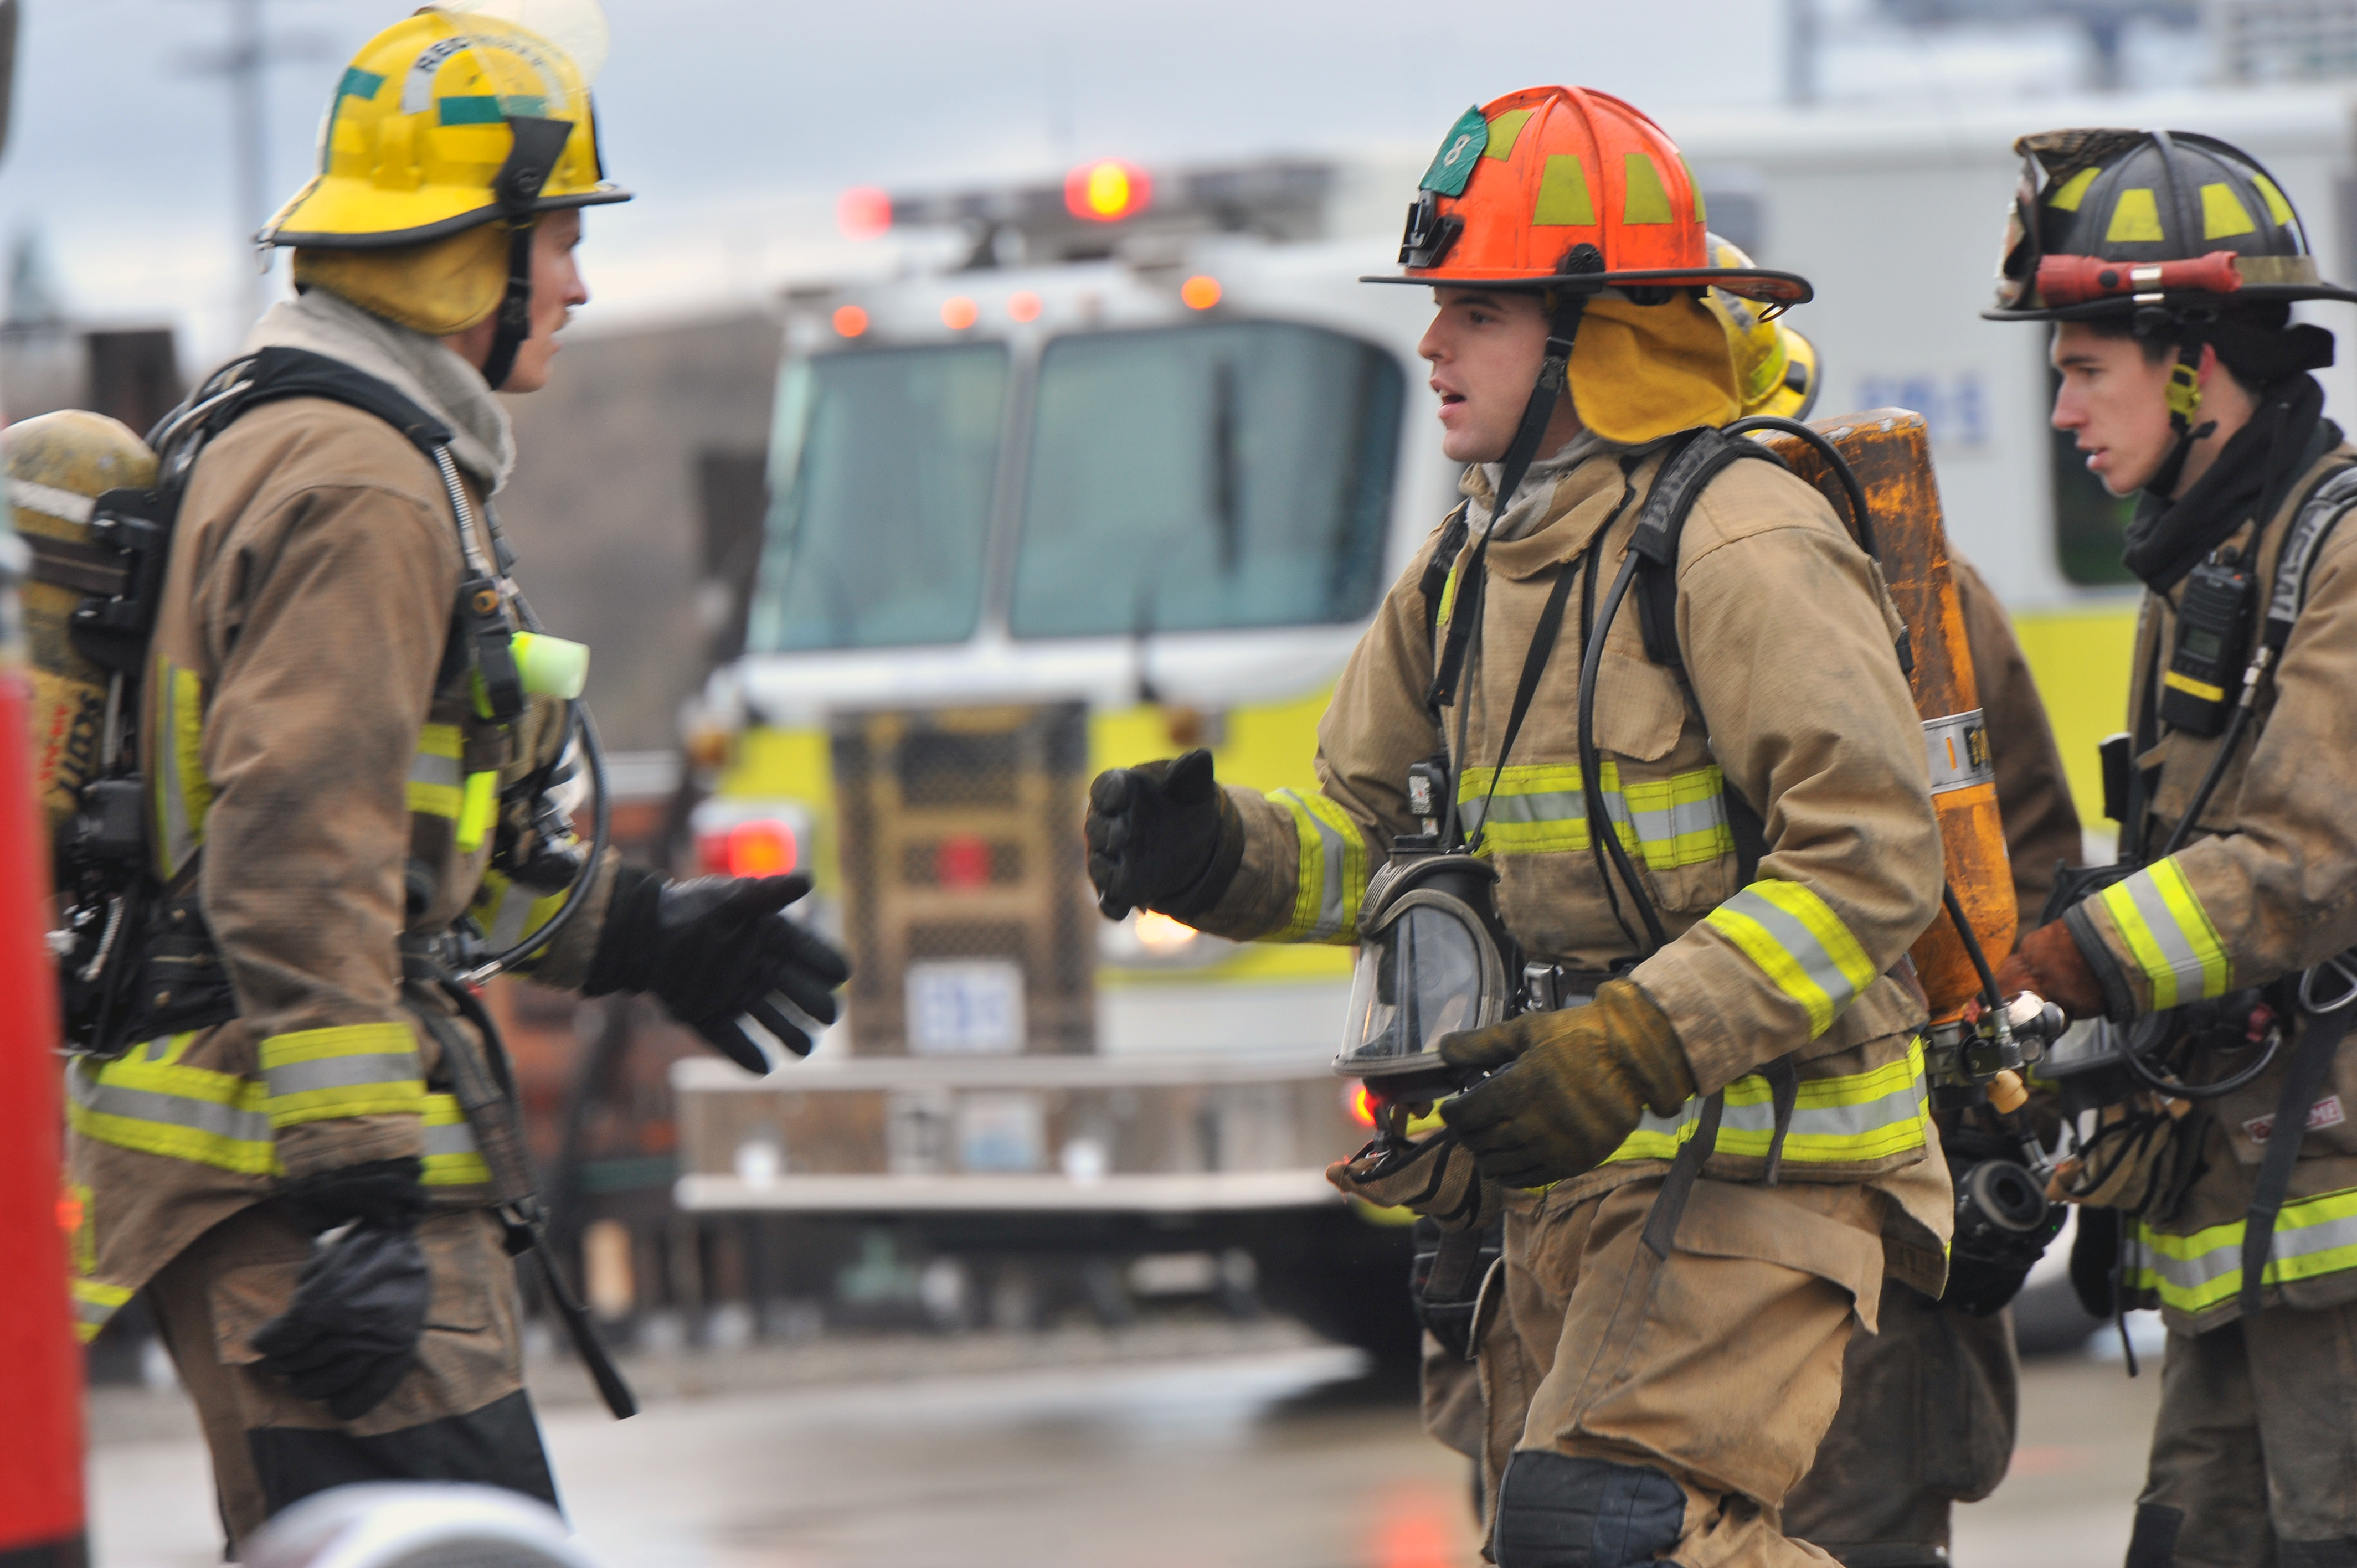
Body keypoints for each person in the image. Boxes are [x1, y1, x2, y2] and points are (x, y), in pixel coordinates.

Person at [1087, 86, 1951, 1566]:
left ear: (1591, 328)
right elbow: (1380, 848)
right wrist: (1214, 857)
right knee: (1554, 1540)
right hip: (1556, 1186)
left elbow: (1870, 859)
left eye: (1474, 310)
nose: (1432, 345)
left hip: (1763, 1166)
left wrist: (1633, 1042)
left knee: (1602, 1537)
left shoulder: (1743, 540)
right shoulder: (1463, 573)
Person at [62, 7, 848, 1551]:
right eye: (555, 239)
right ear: (461, 254)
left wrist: (639, 934)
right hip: (301, 1198)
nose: (577, 279)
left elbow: (411, 840)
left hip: (260, 1176)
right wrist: (358, 1196)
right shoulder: (362, 486)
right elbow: (297, 848)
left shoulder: (301, 439)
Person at [1987, 128, 2357, 1565]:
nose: (2066, 409)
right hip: (2248, 1233)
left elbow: (2311, 859)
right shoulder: (2211, 560)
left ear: (2196, 359)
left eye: (2086, 369)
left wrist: (2073, 956)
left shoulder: (2335, 553)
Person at [1782, 551, 2082, 1565]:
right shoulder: (1501, 574)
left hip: (1866, 1256)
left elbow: (2023, 869)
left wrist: (1990, 1120)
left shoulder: (1901, 573)